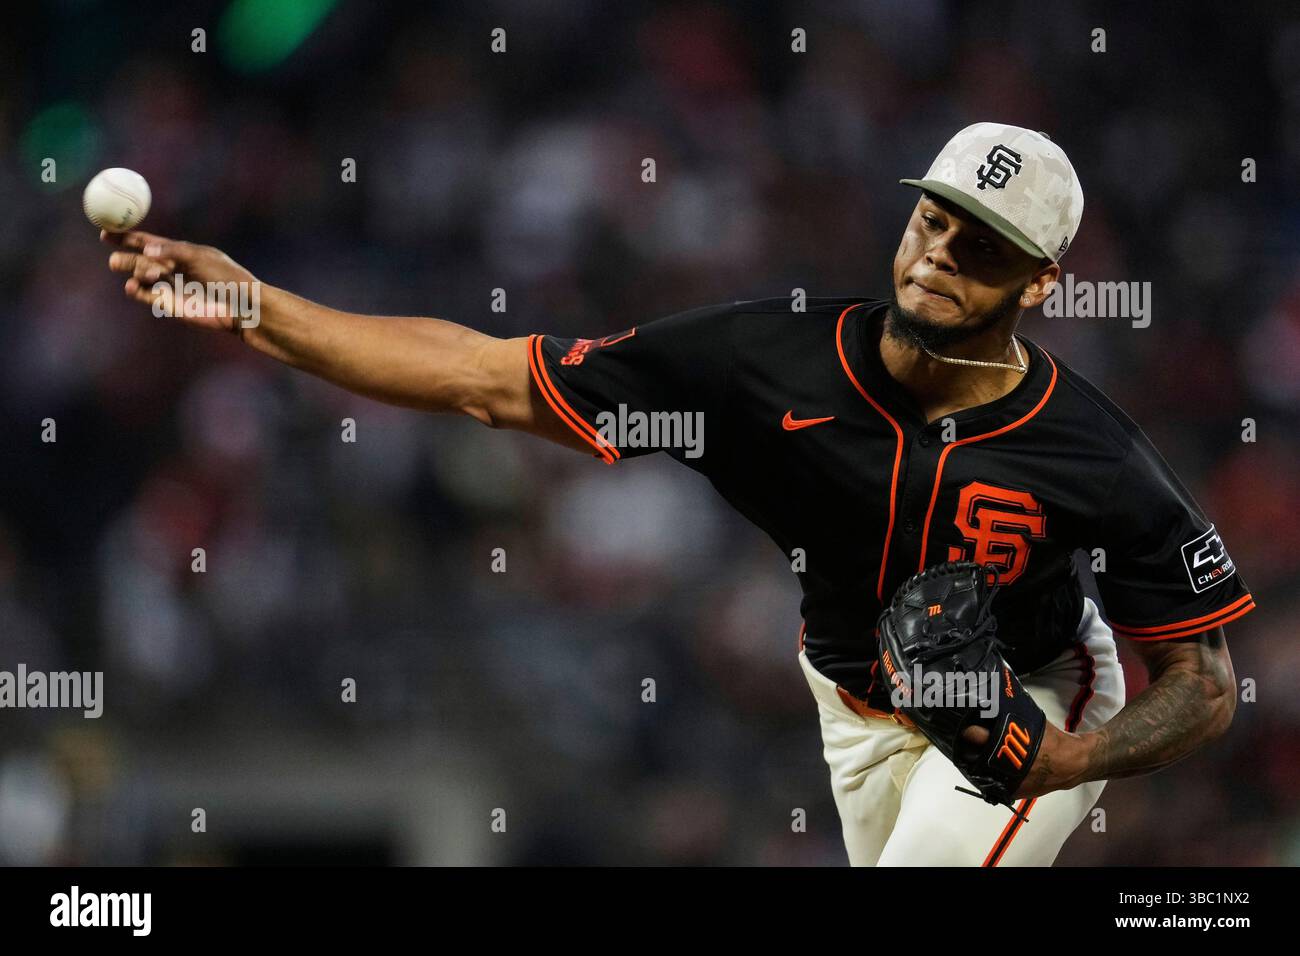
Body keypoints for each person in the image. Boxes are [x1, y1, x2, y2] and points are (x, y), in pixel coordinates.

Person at [102, 122, 1252, 866]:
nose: (939, 254)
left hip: (1028, 697)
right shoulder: (762, 362)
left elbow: (1204, 683)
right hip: (849, 692)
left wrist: (1063, 761)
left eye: (983, 244)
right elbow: (481, 377)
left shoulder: (1087, 448)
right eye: (932, 218)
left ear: (1041, 281)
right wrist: (258, 305)